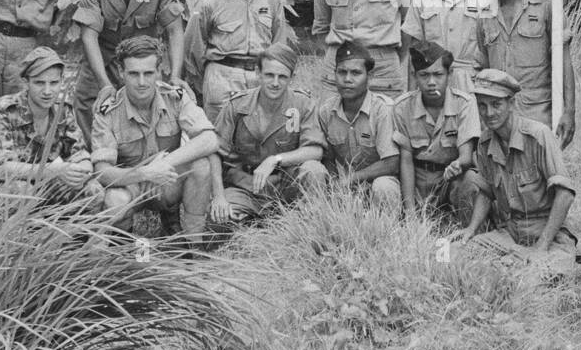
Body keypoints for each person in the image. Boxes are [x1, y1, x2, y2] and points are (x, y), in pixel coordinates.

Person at [90, 36, 219, 241]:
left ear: (159, 71)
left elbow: (210, 139)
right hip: (132, 185)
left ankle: (193, 243)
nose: (142, 82)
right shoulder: (108, 112)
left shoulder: (174, 98)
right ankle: (124, 243)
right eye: (133, 74)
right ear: (121, 73)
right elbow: (102, 172)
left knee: (201, 165)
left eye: (148, 73)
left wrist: (164, 164)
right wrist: (145, 173)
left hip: (167, 180)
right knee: (114, 199)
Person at [73, 0, 186, 147]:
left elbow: (175, 31)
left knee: (149, 123)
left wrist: (175, 75)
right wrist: (104, 84)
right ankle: (98, 172)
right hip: (101, 63)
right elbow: (89, 35)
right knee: (90, 116)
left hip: (141, 66)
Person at [454, 69, 577, 279]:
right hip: (510, 232)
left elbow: (565, 194)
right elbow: (486, 191)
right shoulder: (484, 143)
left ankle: (527, 266)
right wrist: (471, 229)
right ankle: (512, 262)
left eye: (496, 105)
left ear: (511, 104)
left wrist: (541, 246)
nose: (489, 113)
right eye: (482, 106)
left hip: (548, 233)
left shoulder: (538, 135)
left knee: (535, 277)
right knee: (456, 256)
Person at [208, 43, 323, 231]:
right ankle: (257, 223)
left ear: (291, 78)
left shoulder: (303, 105)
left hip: (286, 187)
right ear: (258, 73)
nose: (275, 83)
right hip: (246, 186)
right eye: (269, 75)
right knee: (218, 223)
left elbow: (315, 150)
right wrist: (219, 196)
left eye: (282, 77)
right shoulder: (237, 105)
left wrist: (275, 160)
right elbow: (214, 151)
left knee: (314, 170)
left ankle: (307, 226)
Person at [475, 0, 575, 147]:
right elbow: (483, 69)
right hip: (499, 118)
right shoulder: (484, 15)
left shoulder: (547, 7)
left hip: (539, 114)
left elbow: (564, 63)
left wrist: (569, 111)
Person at [184, 0, 292, 122]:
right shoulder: (210, 2)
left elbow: (279, 46)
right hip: (222, 80)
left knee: (259, 138)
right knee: (218, 141)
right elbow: (193, 52)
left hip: (261, 80)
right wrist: (205, 87)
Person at [0, 47, 103, 211]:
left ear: (61, 81)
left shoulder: (64, 109)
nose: (47, 91)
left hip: (52, 181)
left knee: (93, 191)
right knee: (17, 193)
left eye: (54, 83)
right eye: (40, 83)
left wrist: (79, 171)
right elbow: (0, 168)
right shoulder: (2, 110)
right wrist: (53, 170)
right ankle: (19, 235)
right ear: (26, 82)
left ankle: (71, 235)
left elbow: (80, 153)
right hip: (16, 184)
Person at [297, 40, 401, 207]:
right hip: (344, 187)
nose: (347, 79)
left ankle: (386, 231)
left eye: (356, 73)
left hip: (375, 184)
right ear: (334, 74)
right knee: (311, 167)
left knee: (384, 186)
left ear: (370, 77)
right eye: (342, 72)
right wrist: (335, 185)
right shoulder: (326, 111)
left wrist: (351, 179)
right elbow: (328, 157)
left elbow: (391, 163)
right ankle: (317, 220)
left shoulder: (382, 110)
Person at [392, 41, 483, 225]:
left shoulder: (464, 103)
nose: (431, 82)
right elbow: (406, 160)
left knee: (471, 180)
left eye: (438, 75)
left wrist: (458, 165)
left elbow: (466, 156)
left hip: (449, 180)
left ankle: (467, 233)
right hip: (417, 180)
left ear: (450, 74)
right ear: (414, 76)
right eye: (424, 75)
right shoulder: (402, 107)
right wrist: (410, 211)